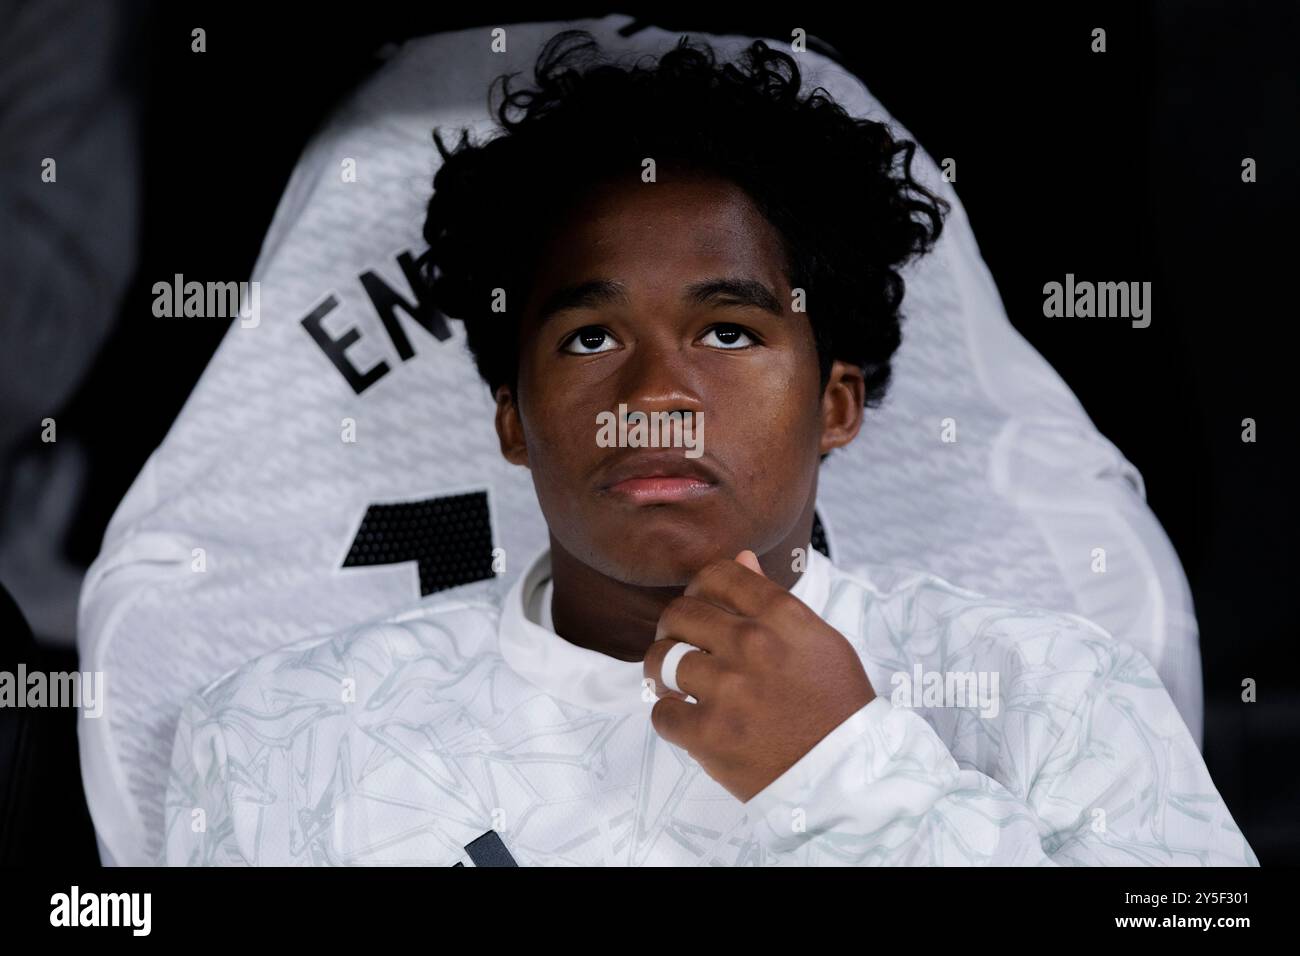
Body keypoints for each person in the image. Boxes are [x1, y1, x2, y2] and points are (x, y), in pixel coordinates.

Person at [162, 30, 1256, 865]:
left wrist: (844, 772)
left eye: (728, 331)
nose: (655, 395)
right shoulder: (271, 737)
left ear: (835, 404)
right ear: (512, 415)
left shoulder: (1061, 692)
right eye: (591, 336)